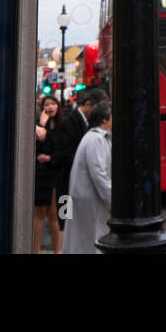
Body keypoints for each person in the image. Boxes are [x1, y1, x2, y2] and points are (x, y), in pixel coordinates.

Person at [49, 85, 108, 230]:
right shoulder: (67, 124)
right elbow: (62, 156)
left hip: (81, 189)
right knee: (66, 223)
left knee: (80, 228)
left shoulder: (88, 124)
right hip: (66, 185)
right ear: (88, 105)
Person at [63, 100, 112, 254]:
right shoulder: (96, 139)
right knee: (91, 240)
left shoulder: (95, 137)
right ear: (104, 119)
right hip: (91, 201)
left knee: (84, 239)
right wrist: (112, 198)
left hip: (87, 200)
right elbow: (99, 174)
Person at [33, 95, 62, 253]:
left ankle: (58, 250)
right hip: (42, 176)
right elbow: (37, 147)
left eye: (53, 104)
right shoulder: (38, 126)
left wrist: (51, 158)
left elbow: (62, 149)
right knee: (39, 213)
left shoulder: (62, 125)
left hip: (57, 176)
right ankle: (36, 250)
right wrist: (42, 125)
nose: (50, 107)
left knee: (56, 215)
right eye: (47, 104)